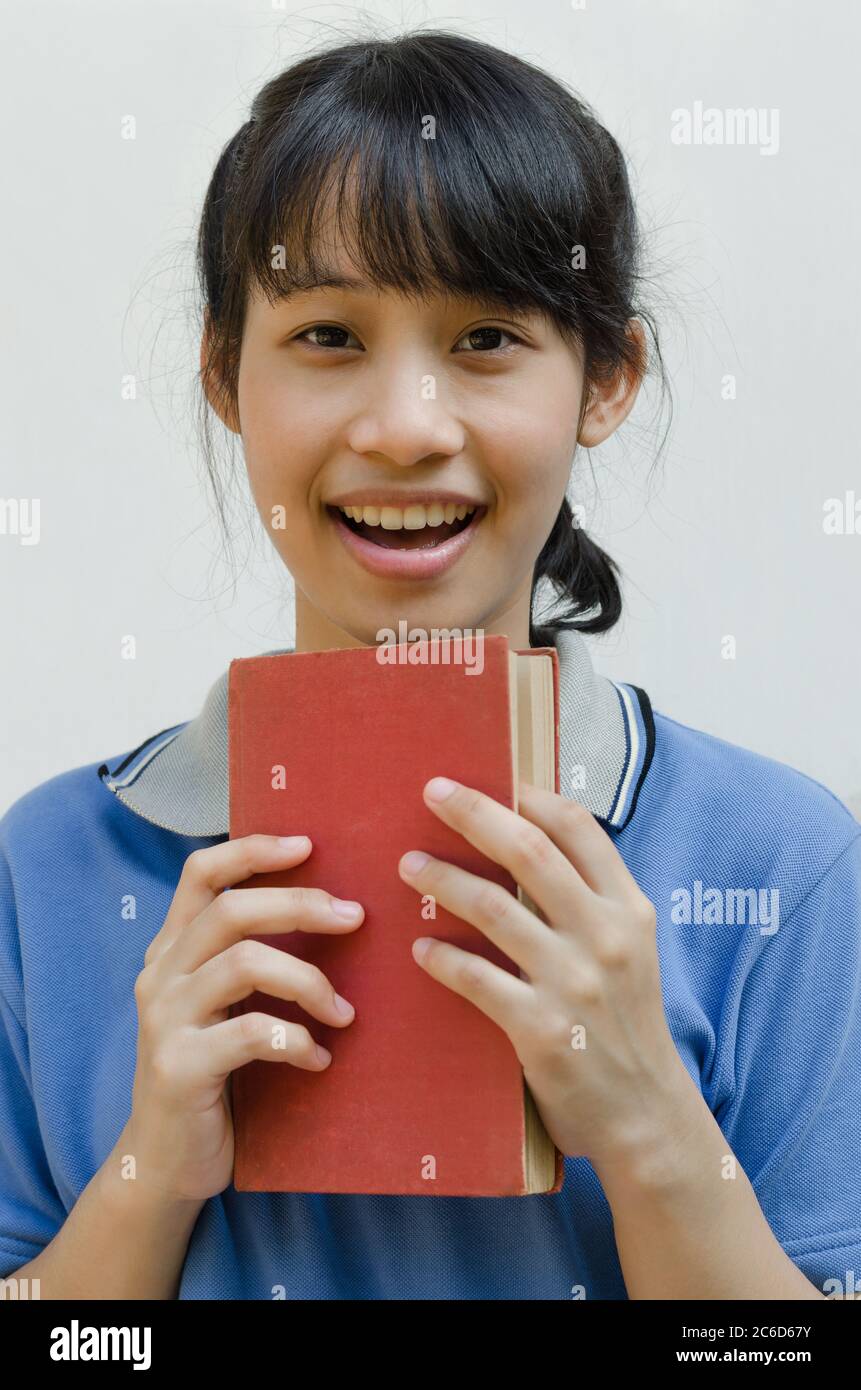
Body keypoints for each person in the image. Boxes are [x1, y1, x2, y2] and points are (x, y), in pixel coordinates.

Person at [2, 31, 859, 1301]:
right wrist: (149, 1177)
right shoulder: (55, 865)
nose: (405, 427)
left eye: (488, 338)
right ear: (225, 376)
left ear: (607, 379)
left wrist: (657, 1143)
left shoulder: (778, 863)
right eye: (331, 334)